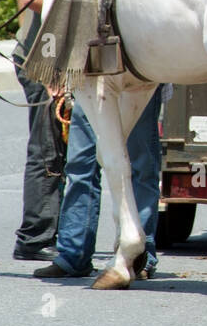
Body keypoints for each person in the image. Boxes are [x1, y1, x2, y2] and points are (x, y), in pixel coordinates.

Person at [34, 86, 166, 279]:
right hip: (92, 80)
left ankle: (140, 255)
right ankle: (74, 253)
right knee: (80, 163)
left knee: (141, 164)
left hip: (138, 81)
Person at [5, 0, 64, 262]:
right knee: (47, 148)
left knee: (60, 149)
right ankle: (34, 237)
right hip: (41, 62)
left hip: (54, 61)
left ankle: (55, 231)